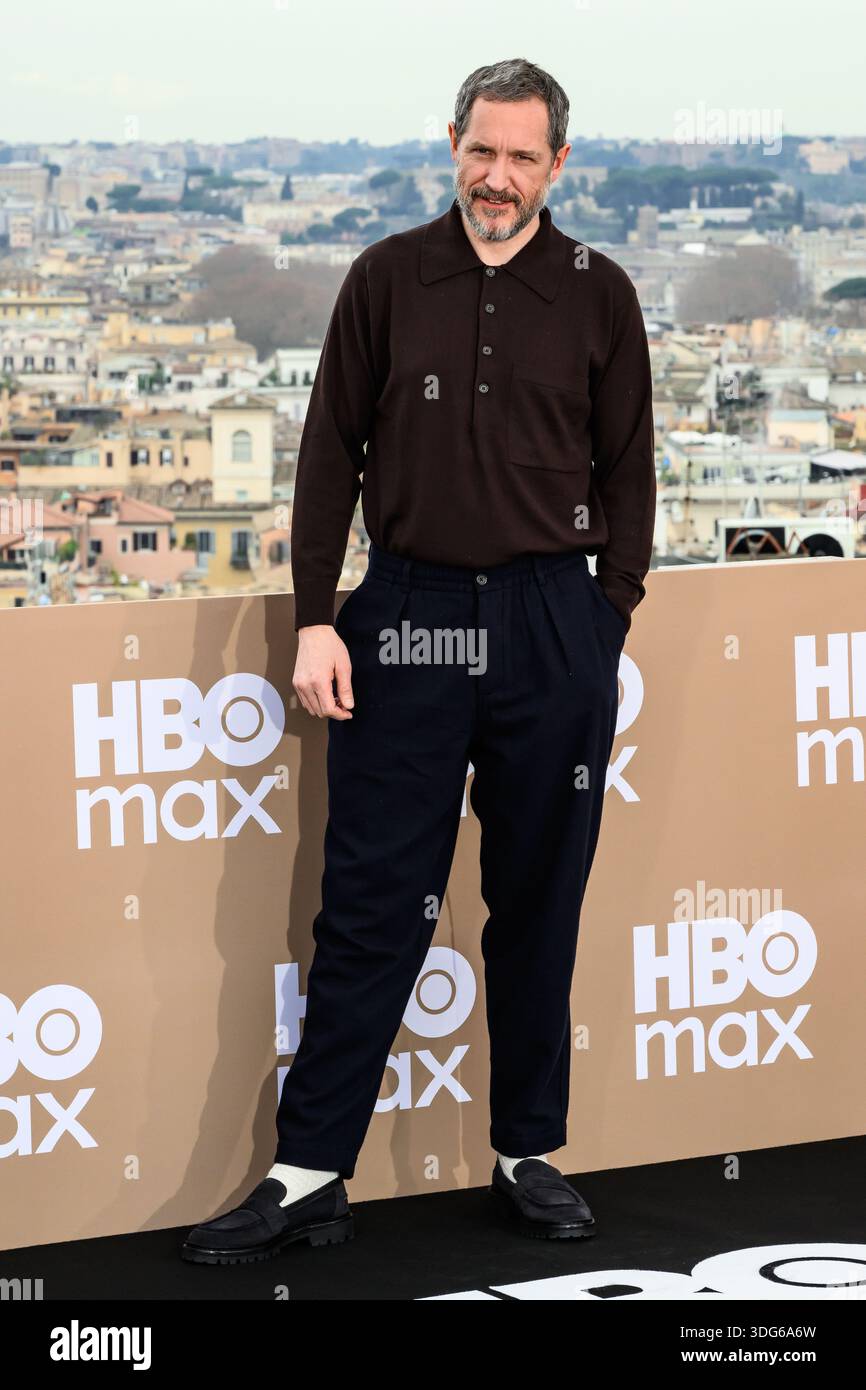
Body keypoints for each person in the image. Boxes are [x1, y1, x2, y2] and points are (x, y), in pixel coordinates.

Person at [182, 55, 655, 1265]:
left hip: (552, 622)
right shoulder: (386, 276)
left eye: (520, 156)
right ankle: (306, 1175)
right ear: (450, 144)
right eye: (478, 150)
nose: (495, 177)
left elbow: (630, 476)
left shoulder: (599, 294)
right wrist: (317, 616)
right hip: (407, 616)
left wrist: (601, 619)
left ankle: (525, 1153)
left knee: (538, 901)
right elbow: (327, 452)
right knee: (371, 905)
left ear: (559, 164)